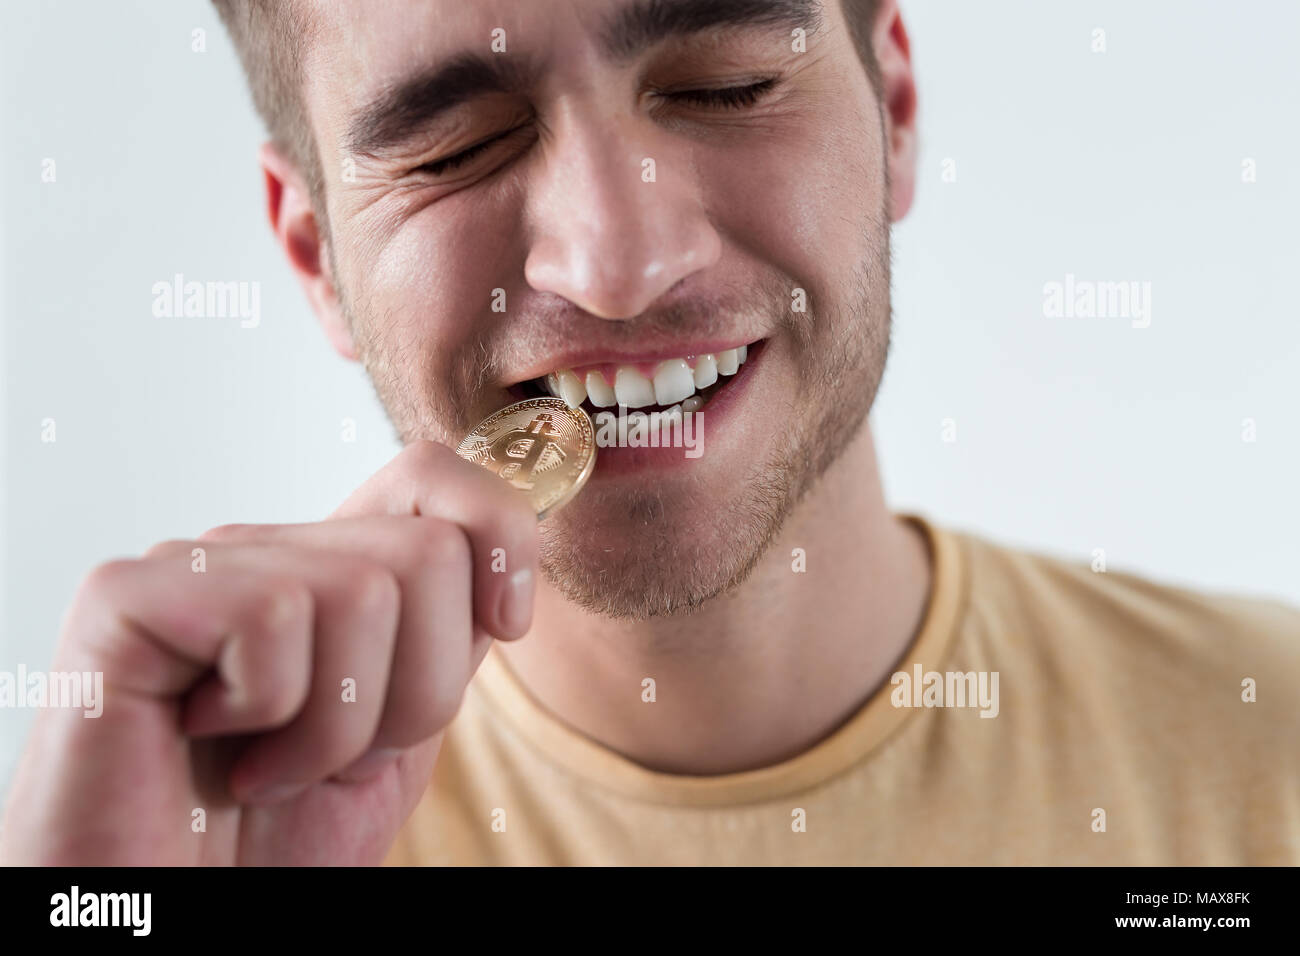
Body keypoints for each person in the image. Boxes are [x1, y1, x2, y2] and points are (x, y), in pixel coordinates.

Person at [2, 0, 1296, 866]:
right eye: (455, 147)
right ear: (316, 260)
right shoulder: (198, 836)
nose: (617, 264)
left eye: (726, 87)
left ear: (894, 102)